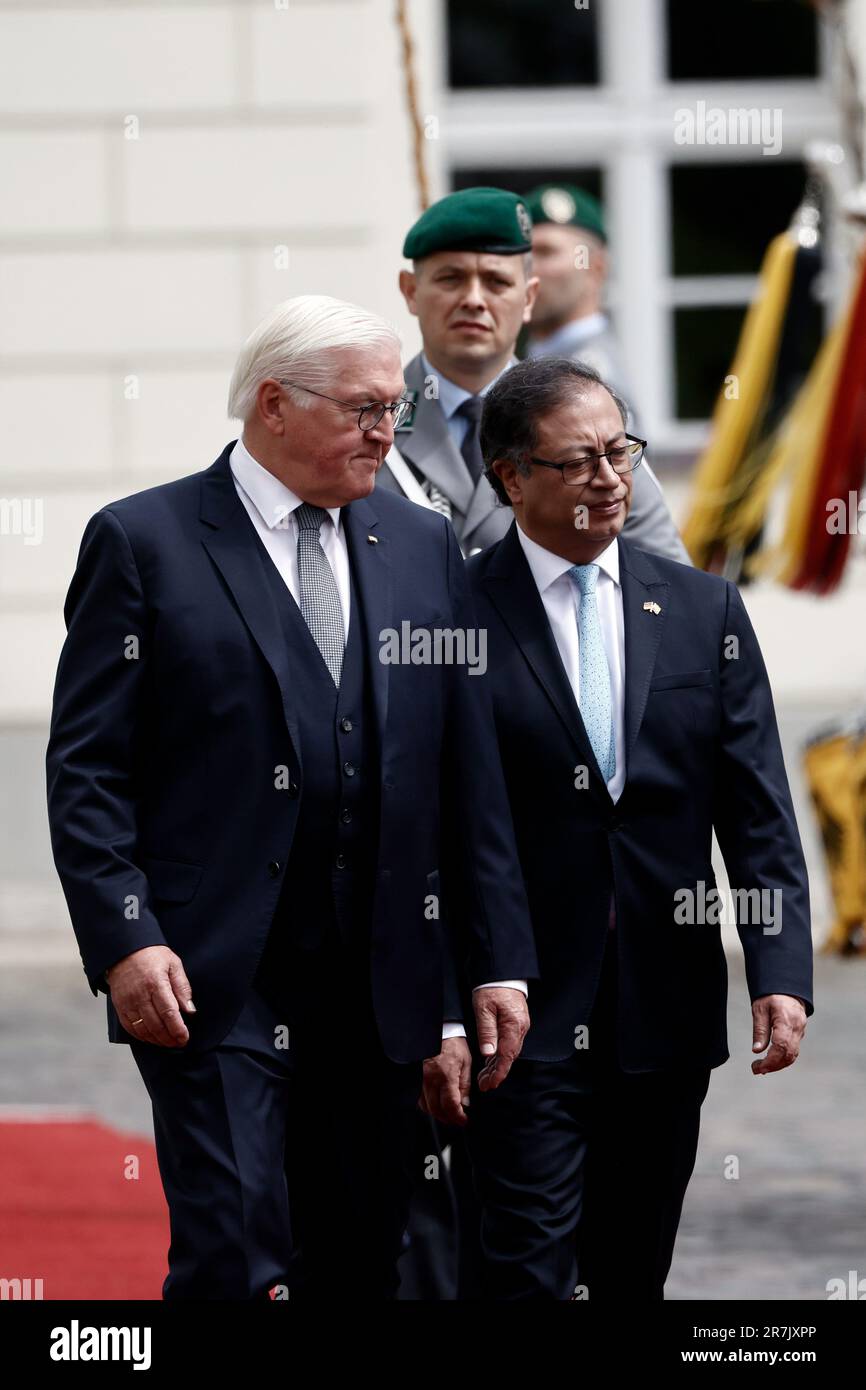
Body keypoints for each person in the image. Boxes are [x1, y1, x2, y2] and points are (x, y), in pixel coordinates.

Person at [45, 294, 537, 1301]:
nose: (384, 435)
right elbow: (86, 768)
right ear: (273, 404)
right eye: (362, 410)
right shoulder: (145, 542)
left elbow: (463, 775)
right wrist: (125, 936)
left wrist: (489, 967)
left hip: (380, 974)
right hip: (211, 973)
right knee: (234, 1251)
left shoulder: (419, 542)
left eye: (393, 412)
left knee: (358, 1251)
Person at [422, 355, 814, 1300]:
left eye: (621, 452)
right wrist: (439, 999)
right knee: (522, 1264)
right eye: (579, 461)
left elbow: (753, 806)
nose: (610, 478)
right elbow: (426, 831)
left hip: (663, 1004)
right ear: (511, 478)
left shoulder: (702, 609)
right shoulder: (450, 614)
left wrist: (779, 971)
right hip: (515, 1005)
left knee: (633, 1267)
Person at [376, 185, 687, 562]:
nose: (474, 299)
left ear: (529, 298)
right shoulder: (371, 420)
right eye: (450, 279)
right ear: (410, 291)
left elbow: (665, 577)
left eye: (497, 282)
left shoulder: (580, 415)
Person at [524, 182, 690, 564]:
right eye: (523, 254)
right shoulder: (543, 364)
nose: (529, 269)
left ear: (595, 267)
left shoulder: (590, 378)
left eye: (547, 252)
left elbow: (629, 517)